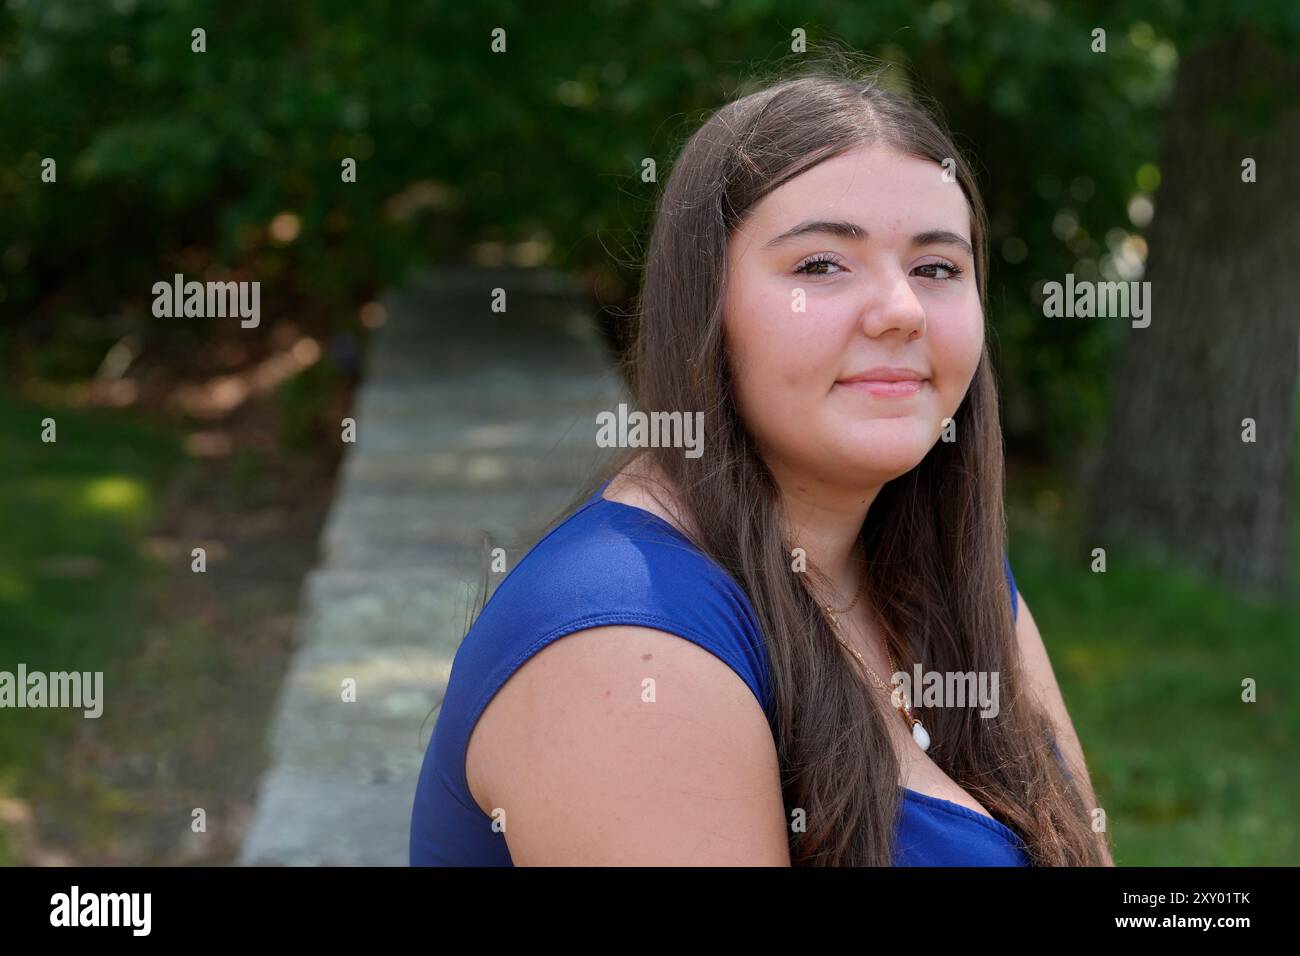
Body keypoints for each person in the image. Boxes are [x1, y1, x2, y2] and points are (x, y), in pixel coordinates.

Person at [410, 65, 1114, 866]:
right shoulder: (626, 642)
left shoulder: (953, 570)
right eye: (821, 264)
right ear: (705, 309)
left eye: (937, 268)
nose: (900, 310)